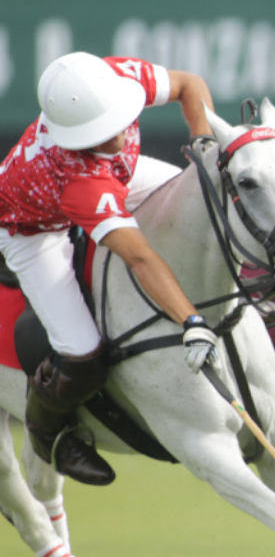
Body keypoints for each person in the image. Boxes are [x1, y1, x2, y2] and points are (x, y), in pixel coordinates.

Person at [0, 52, 221, 486]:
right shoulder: (75, 178)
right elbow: (138, 256)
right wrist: (191, 320)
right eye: (96, 136)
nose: (114, 138)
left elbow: (190, 85)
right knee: (81, 350)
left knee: (197, 203)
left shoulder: (119, 76)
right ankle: (50, 433)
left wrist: (206, 154)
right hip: (31, 229)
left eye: (115, 124)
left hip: (119, 176)